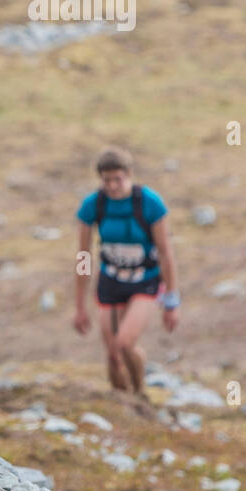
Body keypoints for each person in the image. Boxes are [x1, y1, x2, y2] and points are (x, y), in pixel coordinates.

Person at [73, 147, 181, 405]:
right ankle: (123, 406)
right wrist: (79, 306)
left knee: (124, 343)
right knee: (112, 355)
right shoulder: (94, 205)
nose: (112, 186)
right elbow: (83, 256)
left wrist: (172, 301)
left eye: (117, 179)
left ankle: (140, 394)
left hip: (146, 281)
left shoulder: (149, 203)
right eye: (106, 180)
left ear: (129, 175)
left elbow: (166, 253)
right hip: (111, 282)